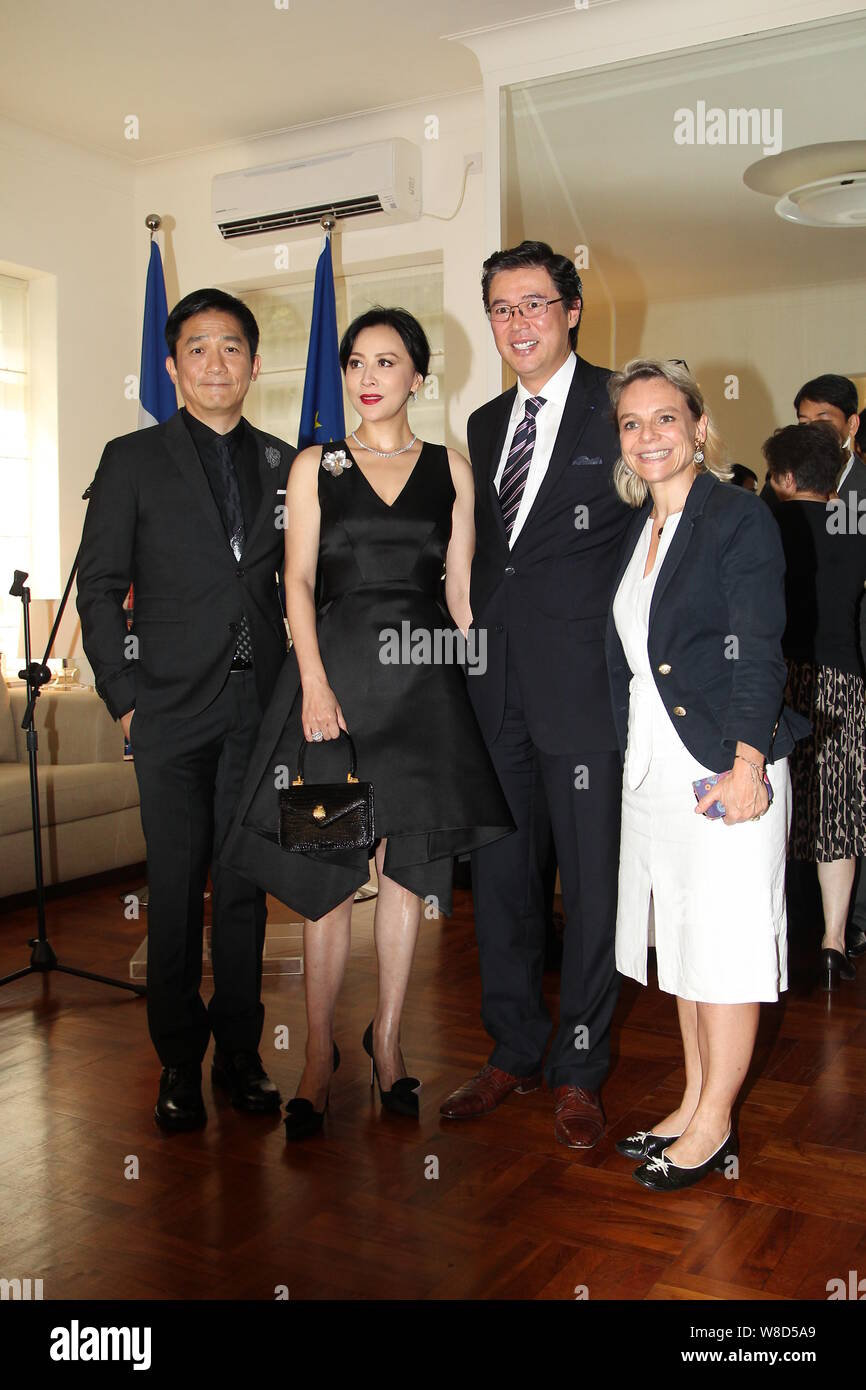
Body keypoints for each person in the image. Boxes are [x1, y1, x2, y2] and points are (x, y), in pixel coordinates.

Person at [220, 307, 513, 1141]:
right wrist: (312, 680)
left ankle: (386, 1040)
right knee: (325, 870)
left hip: (423, 692)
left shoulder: (452, 469)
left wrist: (484, 678)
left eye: (388, 362)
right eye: (356, 362)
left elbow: (459, 593)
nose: (368, 376)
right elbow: (298, 582)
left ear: (419, 375)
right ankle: (317, 1052)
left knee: (404, 872)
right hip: (335, 686)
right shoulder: (318, 463)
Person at [77, 288, 295, 1130]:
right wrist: (124, 698)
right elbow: (100, 588)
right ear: (171, 367)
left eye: (232, 347)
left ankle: (241, 1053)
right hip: (166, 708)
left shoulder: (285, 461)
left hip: (257, 702)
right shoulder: (131, 460)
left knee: (244, 887)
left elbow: (294, 585)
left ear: (253, 362)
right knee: (174, 888)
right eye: (198, 349)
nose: (216, 363)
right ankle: (177, 1061)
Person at [439, 240, 632, 1149]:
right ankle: (512, 1048)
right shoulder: (481, 425)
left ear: (572, 310)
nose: (518, 324)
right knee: (504, 883)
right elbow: (487, 551)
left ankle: (580, 1069)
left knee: (591, 890)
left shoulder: (620, 407)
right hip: (496, 689)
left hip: (588, 690)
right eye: (503, 310)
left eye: (535, 305)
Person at [605, 358, 807, 1192]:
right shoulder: (640, 528)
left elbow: (760, 647)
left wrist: (749, 762)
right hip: (653, 770)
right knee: (686, 949)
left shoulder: (737, 518)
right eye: (631, 423)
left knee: (724, 951)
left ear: (697, 428)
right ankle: (693, 1101)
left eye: (664, 419)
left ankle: (717, 1124)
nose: (648, 436)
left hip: (723, 767)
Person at [762, 422, 866, 988]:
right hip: (843, 680)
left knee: (772, 806)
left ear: (782, 476)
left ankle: (773, 937)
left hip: (776, 679)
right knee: (838, 811)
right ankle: (833, 942)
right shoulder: (855, 527)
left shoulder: (764, 525)